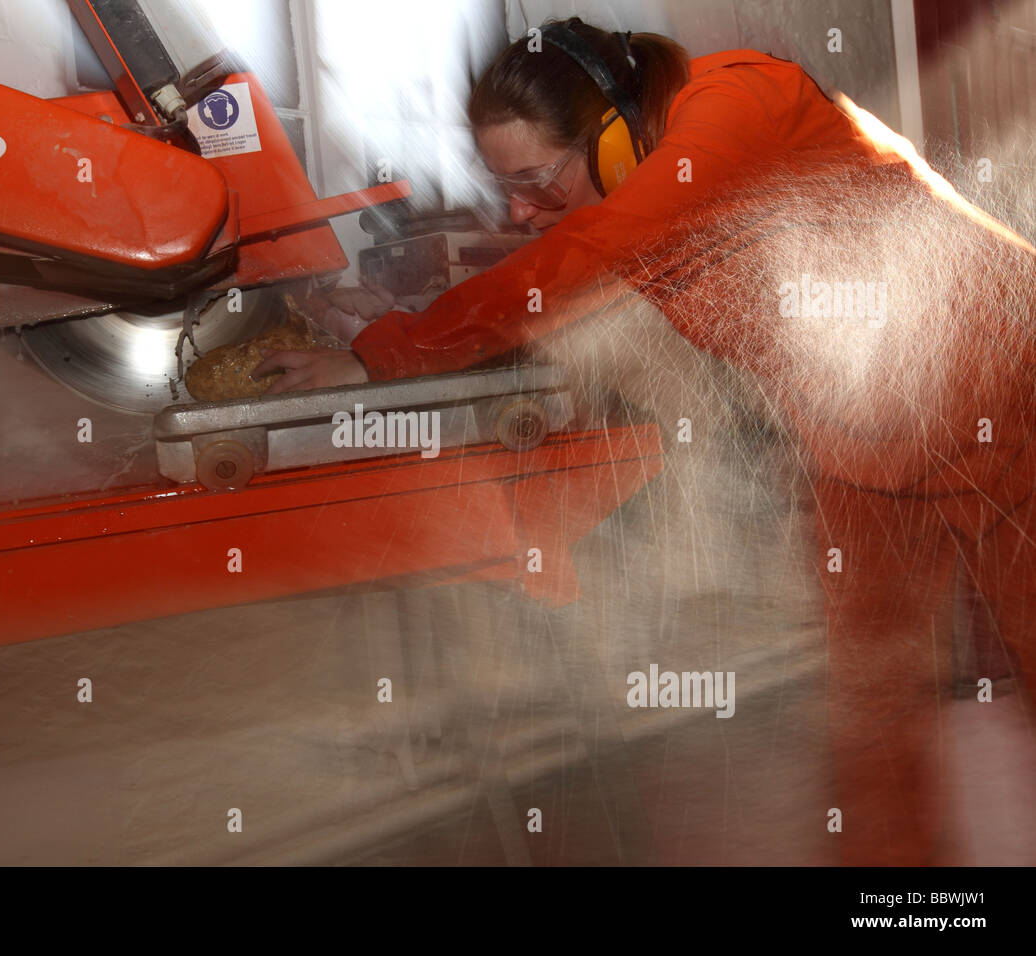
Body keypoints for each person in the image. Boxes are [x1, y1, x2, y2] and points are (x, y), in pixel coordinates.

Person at [252, 17, 1036, 865]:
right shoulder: (638, 190)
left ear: (617, 130)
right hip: (860, 443)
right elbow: (574, 261)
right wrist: (381, 317)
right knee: (876, 708)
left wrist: (388, 356)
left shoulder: (740, 100)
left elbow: (589, 250)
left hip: (1005, 391)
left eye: (536, 179)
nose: (521, 209)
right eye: (504, 186)